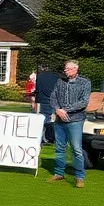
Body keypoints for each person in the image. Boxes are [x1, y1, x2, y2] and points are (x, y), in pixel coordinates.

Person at [47, 60, 92, 188]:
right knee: (60, 148)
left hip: (75, 120)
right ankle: (59, 173)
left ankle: (79, 177)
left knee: (76, 149)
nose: (65, 71)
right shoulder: (60, 81)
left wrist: (65, 110)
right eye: (65, 69)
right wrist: (57, 109)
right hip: (59, 121)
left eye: (68, 69)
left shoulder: (85, 83)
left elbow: (84, 102)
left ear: (75, 69)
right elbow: (53, 96)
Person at [33, 65, 59, 144]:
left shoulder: (40, 77)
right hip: (54, 100)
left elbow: (37, 89)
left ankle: (42, 137)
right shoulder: (57, 77)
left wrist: (36, 100)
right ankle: (51, 137)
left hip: (43, 100)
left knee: (43, 119)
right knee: (53, 119)